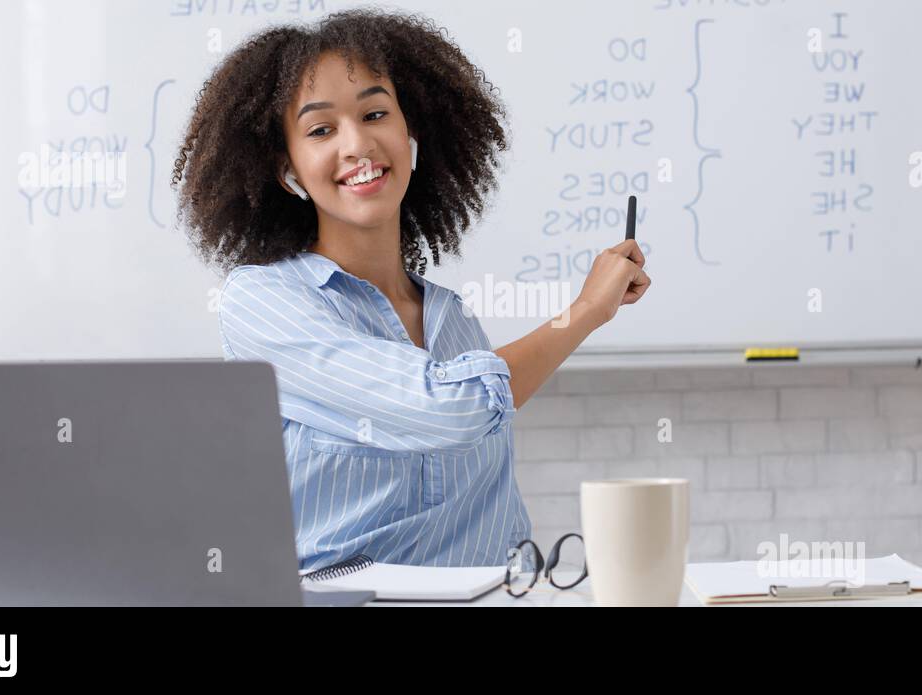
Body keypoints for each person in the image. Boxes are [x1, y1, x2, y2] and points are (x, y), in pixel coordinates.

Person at [171, 9, 650, 570]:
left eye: (375, 113)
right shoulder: (265, 304)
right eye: (321, 130)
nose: (357, 145)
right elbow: (451, 409)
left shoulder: (454, 319)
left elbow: (495, 516)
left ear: (410, 135)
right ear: (289, 171)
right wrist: (587, 311)